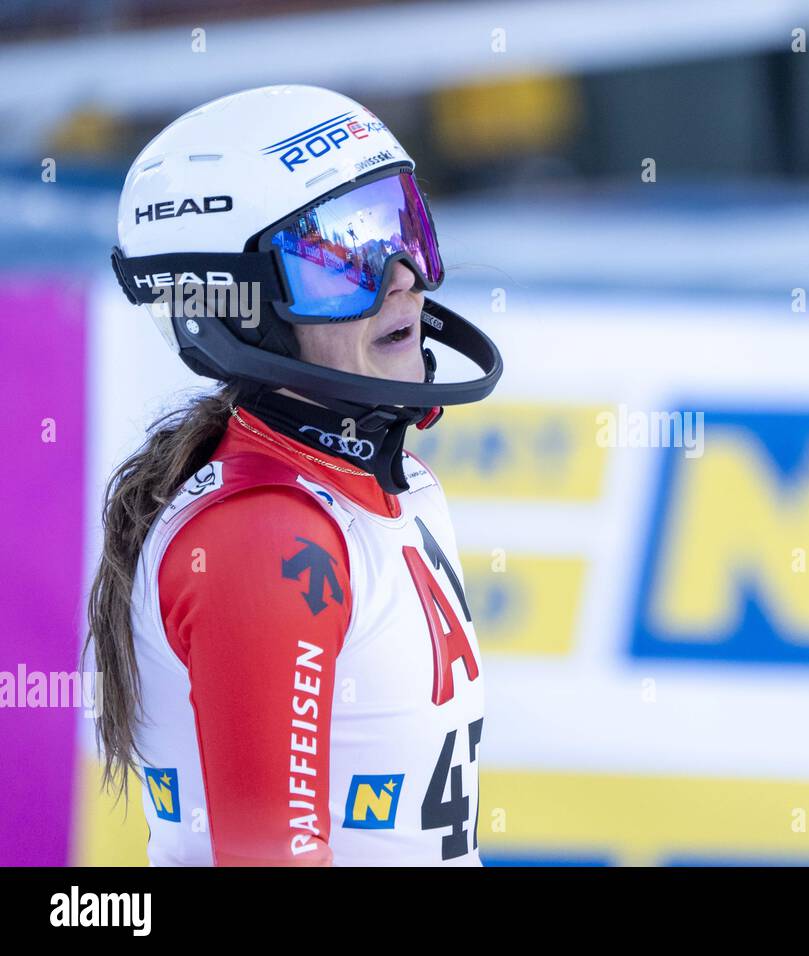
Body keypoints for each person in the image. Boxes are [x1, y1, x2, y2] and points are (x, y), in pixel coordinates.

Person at [85, 85, 502, 866]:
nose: (404, 276)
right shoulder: (266, 538)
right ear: (240, 307)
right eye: (343, 256)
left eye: (400, 227)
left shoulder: (384, 483)